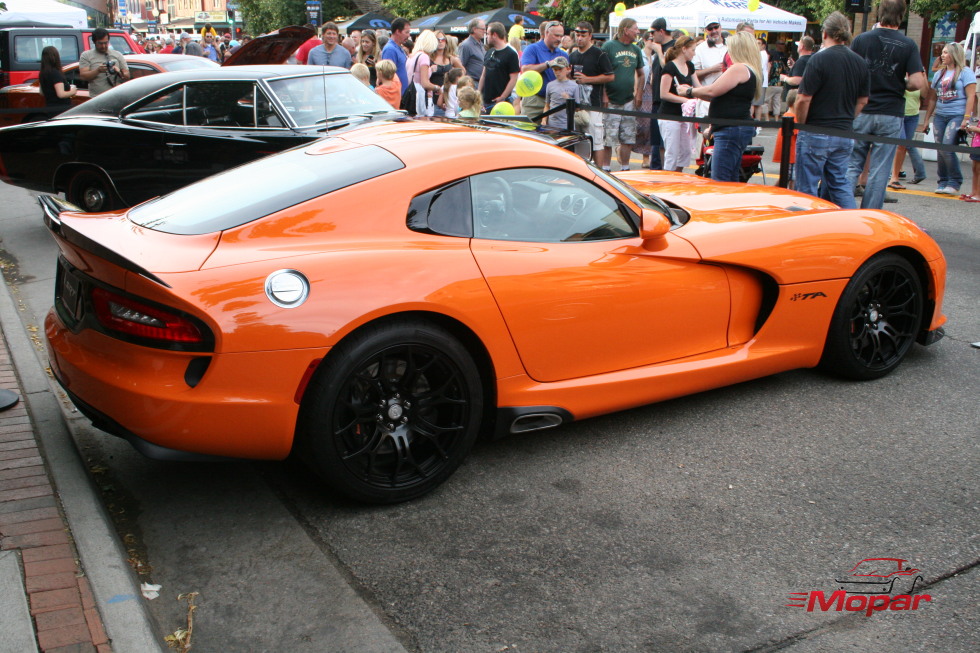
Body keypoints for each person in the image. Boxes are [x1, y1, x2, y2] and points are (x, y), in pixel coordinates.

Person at [847, 0, 927, 209]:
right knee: (880, 169)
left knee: (852, 164)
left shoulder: (861, 40)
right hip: (891, 112)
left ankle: (843, 209)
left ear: (880, 13)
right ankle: (870, 214)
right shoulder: (908, 44)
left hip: (861, 109)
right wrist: (902, 82)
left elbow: (850, 75)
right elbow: (918, 82)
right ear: (902, 15)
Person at [793, 12, 869, 208]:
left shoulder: (818, 60)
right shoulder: (859, 62)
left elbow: (803, 98)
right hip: (843, 130)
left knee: (807, 186)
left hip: (816, 129)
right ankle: (852, 222)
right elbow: (862, 100)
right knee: (839, 182)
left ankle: (808, 229)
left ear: (825, 33)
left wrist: (802, 124)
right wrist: (848, 117)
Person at [677, 31, 760, 182]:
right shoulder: (749, 70)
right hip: (733, 127)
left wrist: (688, 90)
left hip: (731, 129)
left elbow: (712, 91)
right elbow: (718, 95)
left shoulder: (739, 68)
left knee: (721, 179)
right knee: (730, 176)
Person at [921, 42, 976, 196]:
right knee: (940, 147)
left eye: (945, 53)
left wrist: (966, 118)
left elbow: (971, 96)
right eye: (942, 52)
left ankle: (955, 181)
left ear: (954, 54)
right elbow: (932, 99)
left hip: (957, 114)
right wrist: (926, 120)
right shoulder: (939, 74)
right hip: (940, 114)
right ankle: (943, 181)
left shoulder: (966, 73)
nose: (942, 56)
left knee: (947, 146)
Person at [601, 18, 644, 171]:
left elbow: (641, 74)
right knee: (607, 137)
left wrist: (638, 94)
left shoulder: (636, 50)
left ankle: (625, 167)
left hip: (628, 100)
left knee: (628, 136)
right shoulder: (609, 46)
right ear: (626, 30)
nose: (638, 32)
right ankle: (606, 167)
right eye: (635, 28)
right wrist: (604, 95)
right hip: (611, 100)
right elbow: (602, 72)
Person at [569, 22, 614, 169]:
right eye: (577, 35)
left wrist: (588, 79)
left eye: (583, 35)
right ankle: (582, 170)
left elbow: (610, 76)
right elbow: (570, 77)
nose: (580, 38)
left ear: (590, 36)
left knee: (597, 139)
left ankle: (599, 172)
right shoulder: (573, 55)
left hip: (594, 104)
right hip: (577, 105)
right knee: (580, 140)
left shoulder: (599, 54)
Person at [658, 36, 699, 172]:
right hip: (669, 115)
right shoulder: (670, 67)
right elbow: (663, 94)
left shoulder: (690, 66)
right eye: (692, 50)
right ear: (684, 49)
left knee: (686, 150)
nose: (694, 53)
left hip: (685, 115)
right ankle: (668, 178)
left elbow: (698, 86)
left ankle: (678, 174)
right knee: (672, 151)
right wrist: (686, 100)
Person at [520, 21, 568, 121]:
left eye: (561, 36)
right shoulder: (532, 49)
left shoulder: (563, 55)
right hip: (535, 101)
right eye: (556, 35)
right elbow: (525, 70)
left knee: (555, 134)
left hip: (555, 101)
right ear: (546, 33)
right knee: (530, 132)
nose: (559, 39)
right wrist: (548, 64)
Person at [646, 17, 674, 170]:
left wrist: (658, 51)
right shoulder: (660, 48)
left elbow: (670, 68)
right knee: (656, 141)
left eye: (653, 32)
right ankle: (656, 168)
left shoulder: (672, 47)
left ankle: (664, 172)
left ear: (661, 31)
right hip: (656, 99)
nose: (651, 36)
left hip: (666, 101)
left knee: (664, 143)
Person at [889, 87, 928, 188]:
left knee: (906, 144)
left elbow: (924, 94)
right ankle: (895, 176)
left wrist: (922, 76)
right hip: (898, 114)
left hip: (913, 115)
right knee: (902, 143)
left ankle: (902, 173)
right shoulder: (900, 73)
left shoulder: (918, 77)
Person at [478, 22, 519, 114]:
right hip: (486, 101)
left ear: (494, 35)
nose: (486, 36)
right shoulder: (489, 52)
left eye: (488, 34)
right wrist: (478, 93)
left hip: (502, 102)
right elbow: (483, 75)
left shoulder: (511, 53)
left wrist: (502, 96)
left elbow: (514, 78)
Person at [78, 28, 130, 97]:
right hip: (98, 97)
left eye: (106, 43)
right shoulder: (86, 55)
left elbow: (127, 76)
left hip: (116, 96)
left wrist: (119, 72)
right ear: (94, 42)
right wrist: (98, 70)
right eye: (100, 43)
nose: (103, 46)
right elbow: (83, 76)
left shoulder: (117, 54)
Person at [692, 15, 726, 116]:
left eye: (716, 27)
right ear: (706, 30)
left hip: (728, 98)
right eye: (710, 28)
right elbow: (693, 73)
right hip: (708, 99)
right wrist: (710, 70)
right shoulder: (700, 49)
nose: (714, 31)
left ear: (720, 27)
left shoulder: (731, 45)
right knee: (705, 130)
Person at [406, 31, 441, 117]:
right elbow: (425, 83)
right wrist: (437, 88)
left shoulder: (412, 56)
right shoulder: (424, 57)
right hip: (423, 98)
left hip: (412, 97)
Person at [429, 31, 462, 117]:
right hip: (433, 99)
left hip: (449, 100)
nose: (440, 42)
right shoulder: (429, 58)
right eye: (438, 40)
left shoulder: (450, 58)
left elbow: (463, 71)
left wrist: (455, 79)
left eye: (443, 40)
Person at [779, 36, 813, 114]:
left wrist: (784, 78)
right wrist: (794, 67)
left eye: (799, 44)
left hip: (795, 98)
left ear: (802, 46)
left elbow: (797, 80)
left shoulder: (801, 61)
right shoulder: (812, 59)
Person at [39, 46, 76, 117]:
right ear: (55, 57)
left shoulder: (42, 73)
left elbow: (41, 92)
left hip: (50, 109)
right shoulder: (55, 73)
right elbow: (61, 94)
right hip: (61, 110)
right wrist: (72, 91)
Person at [773, 89, 799, 189]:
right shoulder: (793, 117)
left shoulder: (787, 115)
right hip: (791, 155)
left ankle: (773, 192)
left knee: (786, 177)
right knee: (792, 178)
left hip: (789, 155)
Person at [543, 57, 577, 129]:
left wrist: (569, 99)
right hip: (552, 124)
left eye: (560, 69)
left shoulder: (574, 86)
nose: (557, 72)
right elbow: (547, 105)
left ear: (567, 69)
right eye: (555, 70)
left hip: (567, 124)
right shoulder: (550, 85)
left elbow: (578, 108)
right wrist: (544, 120)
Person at [382, 17, 411, 92]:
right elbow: (388, 76)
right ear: (398, 31)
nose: (408, 35)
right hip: (397, 96)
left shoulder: (399, 48)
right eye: (406, 32)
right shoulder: (390, 49)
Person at [458, 18, 487, 84]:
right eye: (482, 29)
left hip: (482, 83)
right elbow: (460, 66)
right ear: (474, 29)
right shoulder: (466, 45)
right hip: (472, 83)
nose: (485, 31)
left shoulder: (481, 45)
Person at [963, 116, 980, 201]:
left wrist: (975, 129)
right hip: (976, 143)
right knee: (975, 169)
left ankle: (978, 194)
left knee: (979, 170)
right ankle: (974, 192)